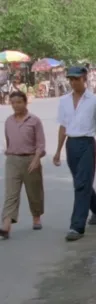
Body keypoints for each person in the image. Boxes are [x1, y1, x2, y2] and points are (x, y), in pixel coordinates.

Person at [53, 66, 96, 242]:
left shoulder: (95, 101)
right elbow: (63, 127)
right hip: (72, 144)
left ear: (84, 78)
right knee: (81, 182)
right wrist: (58, 151)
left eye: (76, 79)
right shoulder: (64, 101)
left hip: (87, 144)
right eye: (70, 79)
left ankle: (77, 226)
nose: (73, 82)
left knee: (81, 185)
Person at [0, 92, 46, 239]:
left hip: (31, 159)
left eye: (19, 102)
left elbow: (40, 143)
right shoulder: (8, 121)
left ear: (25, 103)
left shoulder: (34, 121)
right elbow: (8, 141)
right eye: (13, 103)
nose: (15, 105)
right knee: (11, 193)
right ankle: (6, 224)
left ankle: (36, 216)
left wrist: (36, 159)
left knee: (34, 191)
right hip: (13, 160)